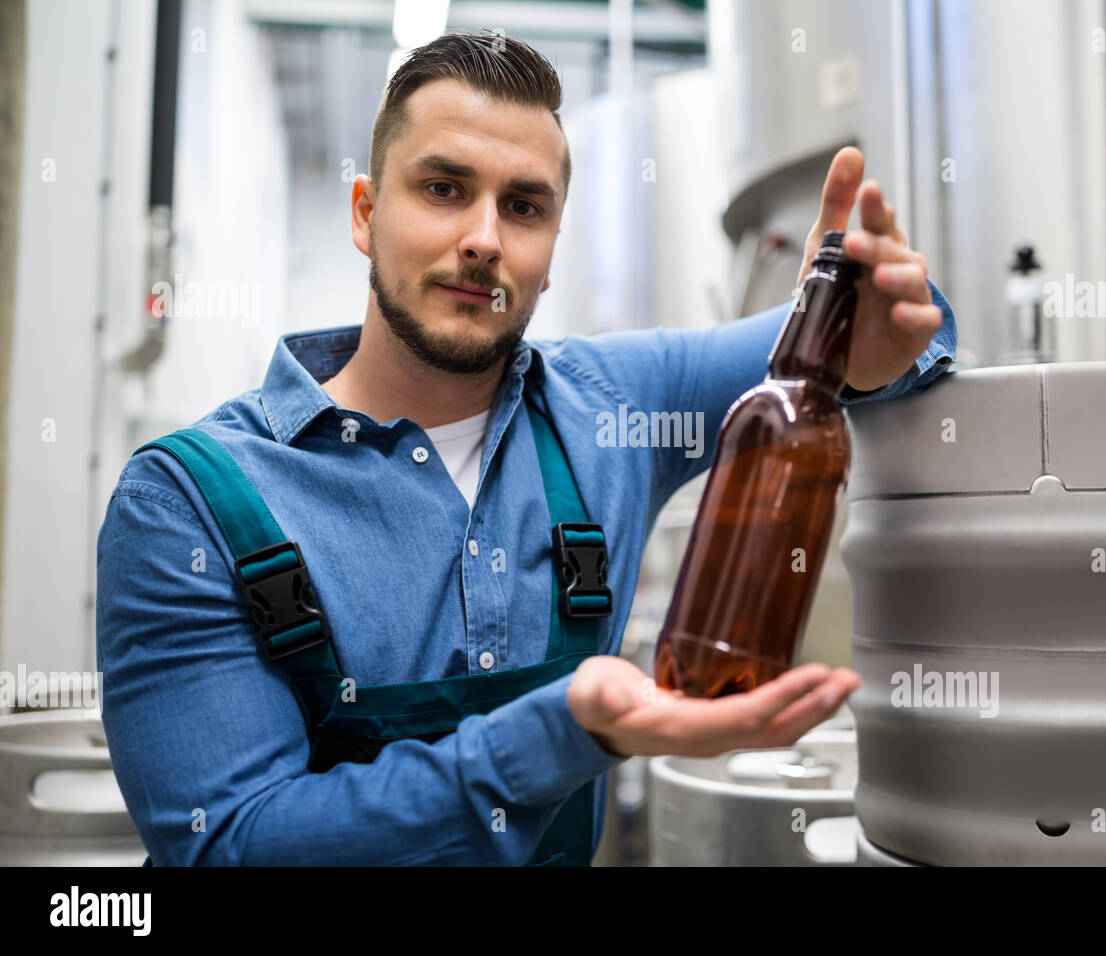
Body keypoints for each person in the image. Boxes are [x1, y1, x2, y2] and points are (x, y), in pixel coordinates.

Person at [95, 32, 957, 865]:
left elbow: (915, 333)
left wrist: (852, 322)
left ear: (550, 253)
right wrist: (564, 733)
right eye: (442, 188)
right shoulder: (188, 504)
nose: (484, 238)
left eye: (524, 206)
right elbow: (230, 847)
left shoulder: (615, 405)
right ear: (364, 214)